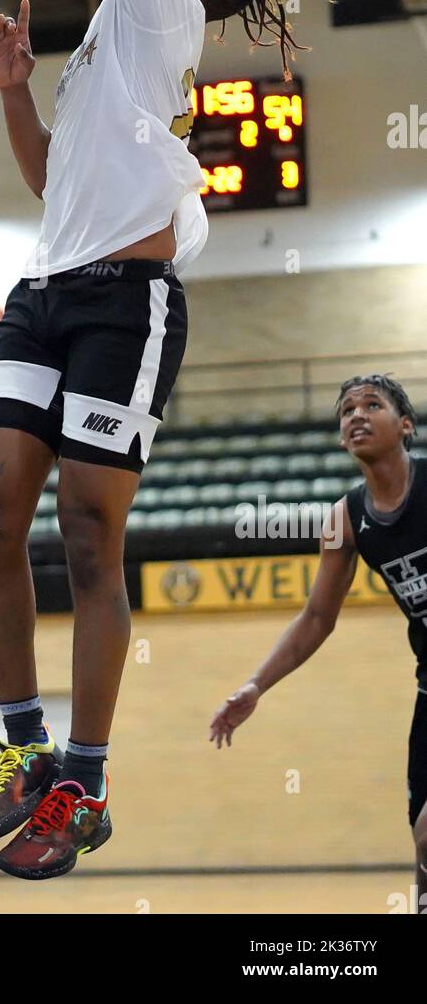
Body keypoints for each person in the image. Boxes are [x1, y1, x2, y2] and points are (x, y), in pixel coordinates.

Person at [0, 0, 319, 880]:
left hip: (127, 299)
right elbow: (44, 187)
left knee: (83, 529)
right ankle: (22, 753)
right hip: (47, 283)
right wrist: (16, 89)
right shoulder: (102, 54)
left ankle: (86, 778)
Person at [210, 374, 427, 914]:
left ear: (405, 425)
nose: (356, 415)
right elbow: (315, 618)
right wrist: (256, 685)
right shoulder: (344, 519)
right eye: (347, 410)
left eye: (372, 405)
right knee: (423, 843)